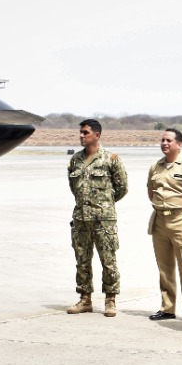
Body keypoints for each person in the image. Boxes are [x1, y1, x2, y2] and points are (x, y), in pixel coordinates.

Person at [65, 118, 129, 316]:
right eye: (81, 133)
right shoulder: (75, 160)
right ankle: (85, 299)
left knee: (108, 260)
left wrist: (105, 204)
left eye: (85, 133)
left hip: (104, 220)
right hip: (81, 219)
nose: (81, 136)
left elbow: (122, 188)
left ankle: (110, 300)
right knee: (82, 260)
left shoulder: (111, 159)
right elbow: (73, 187)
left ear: (97, 135)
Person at [146, 128, 182, 321]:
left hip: (181, 220)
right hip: (160, 219)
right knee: (164, 266)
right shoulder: (156, 166)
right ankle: (167, 307)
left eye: (169, 140)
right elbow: (151, 191)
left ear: (180, 144)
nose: (164, 143)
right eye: (162, 140)